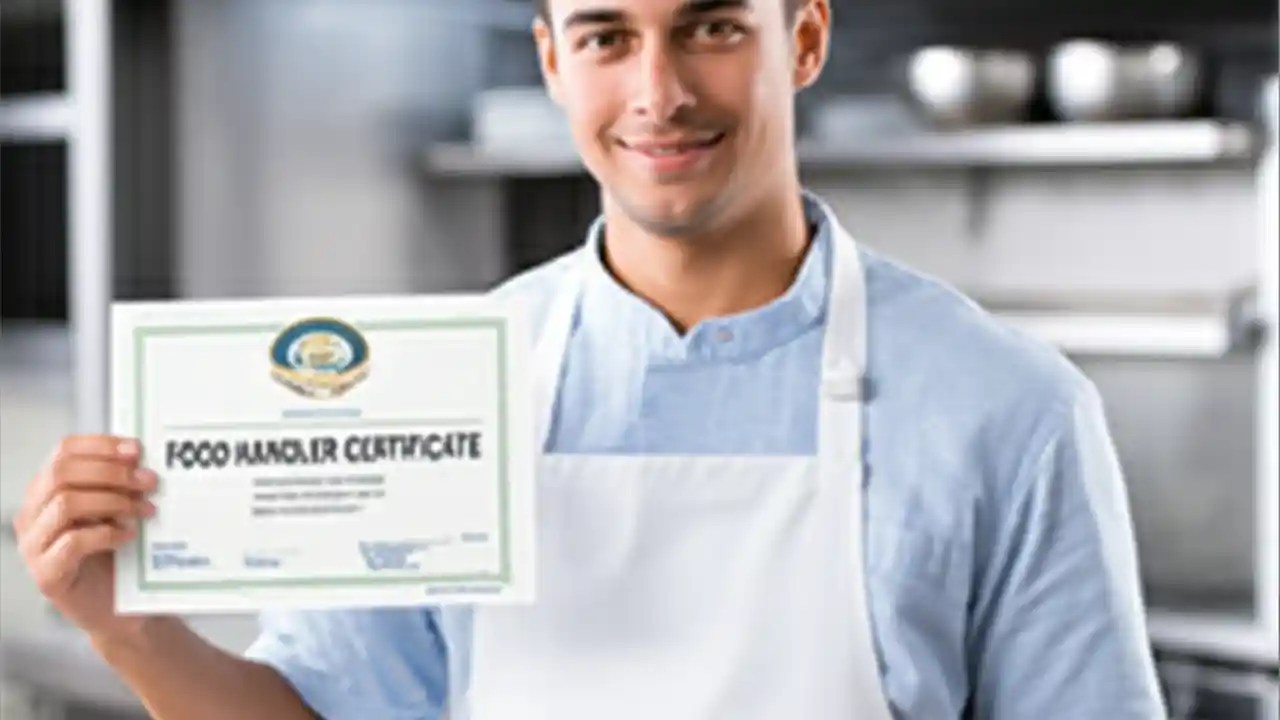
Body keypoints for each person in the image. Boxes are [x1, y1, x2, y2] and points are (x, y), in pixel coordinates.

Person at [11, 0, 1168, 717]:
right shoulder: (454, 386)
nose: (657, 93)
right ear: (552, 60)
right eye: (606, 35)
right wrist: (132, 631)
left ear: (802, 35)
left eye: (711, 26)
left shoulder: (1006, 411)